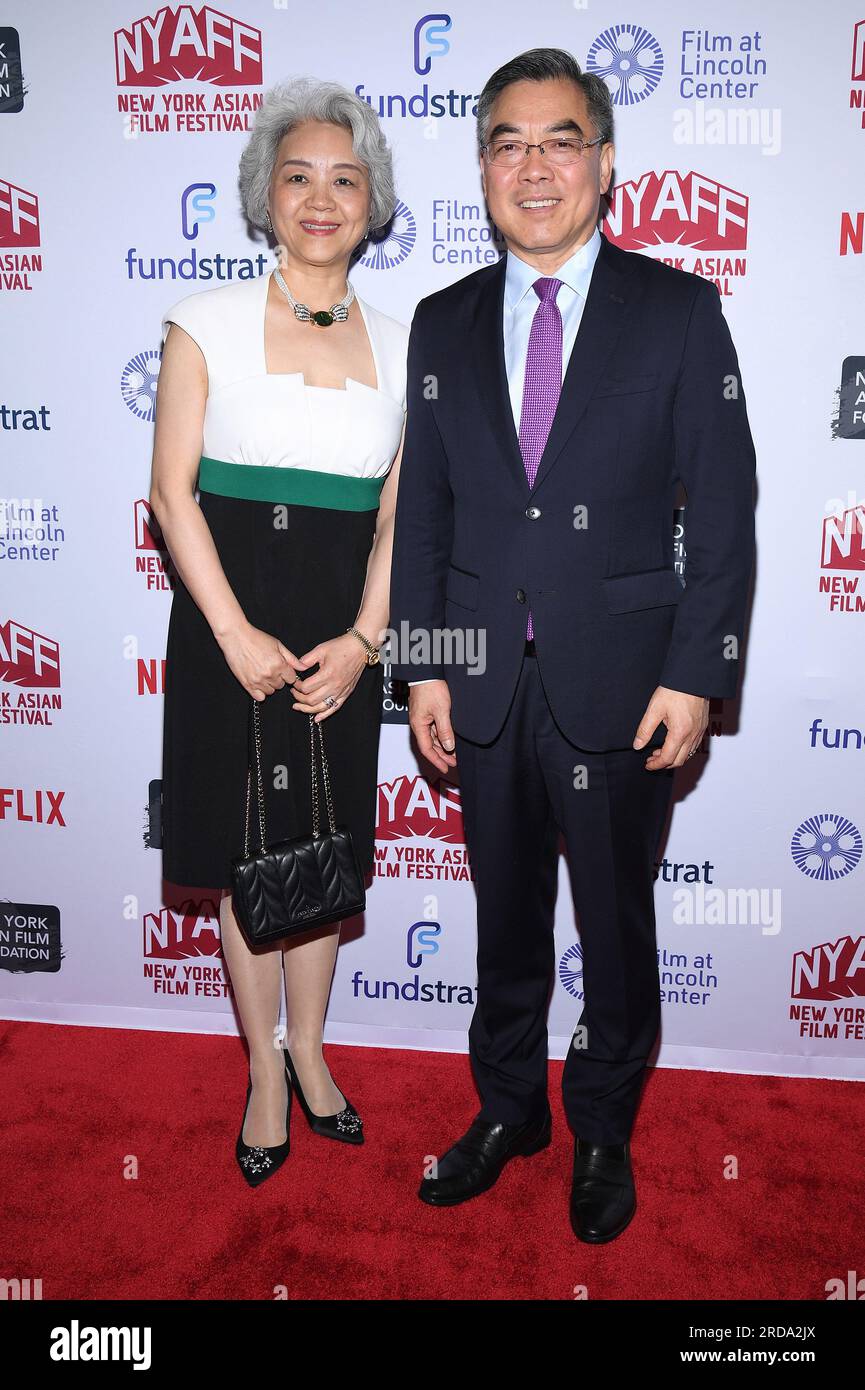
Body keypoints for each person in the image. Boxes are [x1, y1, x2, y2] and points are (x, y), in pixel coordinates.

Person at [389, 48, 756, 1242]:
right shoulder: (441, 322)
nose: (533, 165)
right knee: (502, 919)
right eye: (508, 142)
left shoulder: (678, 308)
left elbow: (727, 508)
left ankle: (601, 1126)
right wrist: (429, 660)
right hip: (485, 683)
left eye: (558, 140)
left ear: (604, 163)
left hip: (623, 684)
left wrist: (698, 673)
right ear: (483, 167)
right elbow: (429, 512)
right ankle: (509, 1111)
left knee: (612, 922)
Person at [150, 77, 408, 1186]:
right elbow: (171, 494)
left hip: (338, 646)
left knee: (323, 861)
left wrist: (362, 640)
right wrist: (233, 635)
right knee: (247, 851)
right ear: (265, 193)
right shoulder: (201, 322)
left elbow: (403, 514)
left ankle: (311, 1050)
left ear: (371, 203)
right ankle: (261, 1068)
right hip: (228, 631)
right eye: (297, 175)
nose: (320, 196)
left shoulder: (406, 342)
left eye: (343, 179)